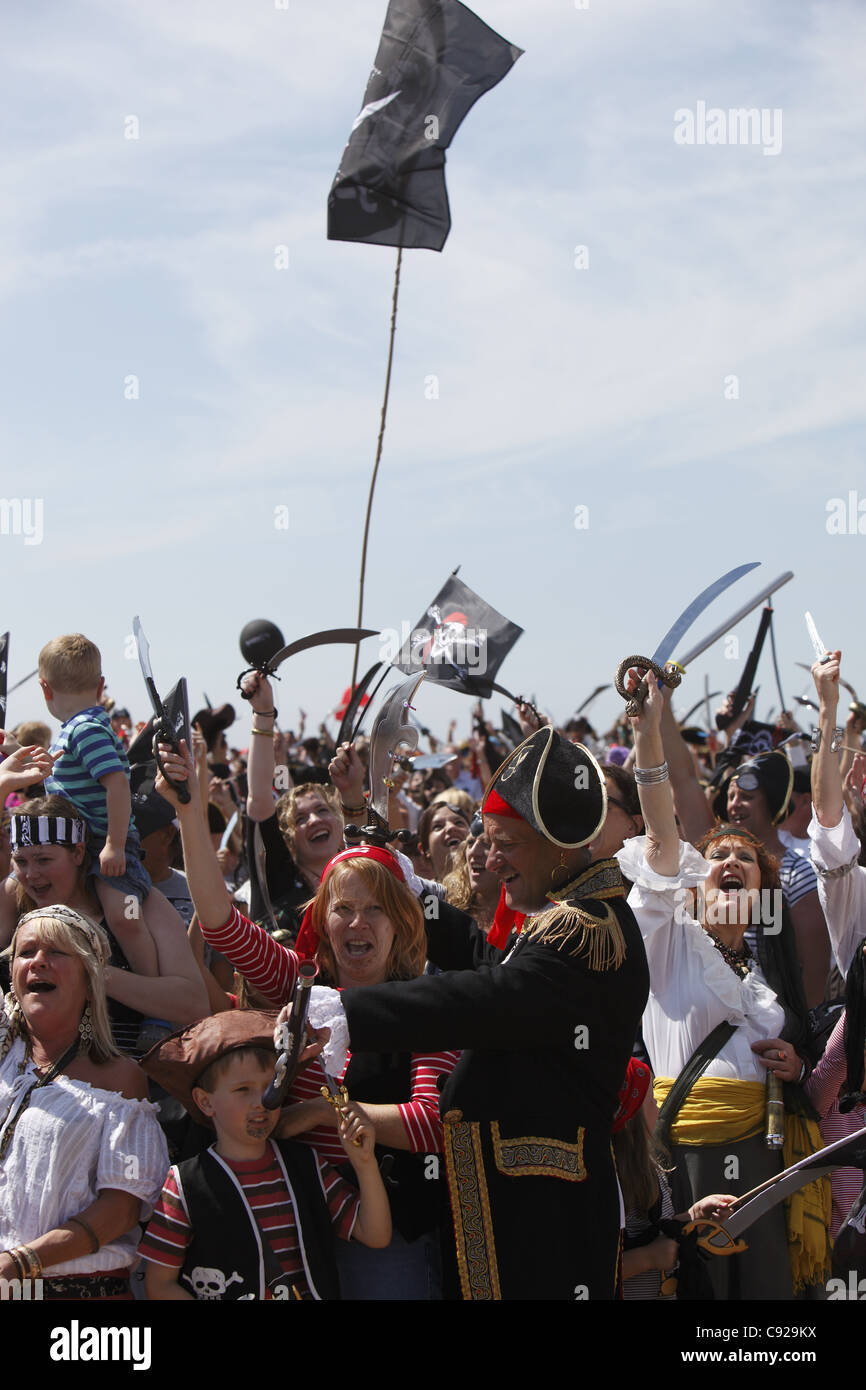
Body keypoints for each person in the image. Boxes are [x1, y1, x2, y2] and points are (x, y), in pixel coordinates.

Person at [296, 725, 650, 1301]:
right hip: (516, 1195)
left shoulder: (588, 930)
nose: (490, 859)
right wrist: (409, 885)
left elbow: (491, 998)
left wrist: (345, 1011)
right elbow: (488, 957)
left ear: (555, 843)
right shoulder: (569, 914)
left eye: (505, 843)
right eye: (487, 842)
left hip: (543, 1212)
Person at [154, 740, 458, 1300]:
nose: (356, 923)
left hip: (383, 1232)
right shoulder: (300, 986)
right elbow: (220, 922)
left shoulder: (428, 1003)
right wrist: (191, 813)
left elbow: (433, 1122)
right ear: (322, 919)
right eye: (342, 908)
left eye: (374, 909)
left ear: (402, 925)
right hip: (287, 1223)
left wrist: (317, 1113)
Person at [616, 669, 829, 1299]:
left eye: (746, 858)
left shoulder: (767, 985)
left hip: (763, 1168)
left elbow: (806, 1052)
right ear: (693, 885)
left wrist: (794, 1064)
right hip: (679, 1163)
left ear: (765, 895)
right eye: (718, 857)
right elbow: (660, 832)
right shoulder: (669, 938)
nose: (731, 861)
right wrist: (651, 733)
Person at [139, 1010, 391, 1300]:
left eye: (271, 1087)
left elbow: (375, 1234)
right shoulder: (183, 1185)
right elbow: (159, 1285)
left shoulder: (307, 1164)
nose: (262, 1102)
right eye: (242, 1090)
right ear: (205, 1102)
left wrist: (365, 1164)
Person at [0, 905, 169, 1298]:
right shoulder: (5, 1058)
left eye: (56, 952)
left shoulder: (118, 1077)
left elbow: (123, 1207)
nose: (38, 962)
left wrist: (22, 1262)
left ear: (89, 976)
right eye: (26, 953)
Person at [0, 779, 207, 1044]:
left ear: (77, 853)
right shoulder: (12, 899)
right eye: (21, 862)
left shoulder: (134, 905)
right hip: (26, 1076)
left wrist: (92, 971)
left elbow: (194, 1004)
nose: (31, 874)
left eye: (44, 860)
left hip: (129, 1075)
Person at [38, 632, 178, 981]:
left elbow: (117, 783)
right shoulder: (78, 729)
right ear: (100, 685)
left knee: (124, 917)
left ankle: (153, 996)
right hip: (85, 846)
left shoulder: (85, 729)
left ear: (45, 689)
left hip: (106, 845)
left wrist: (115, 845)